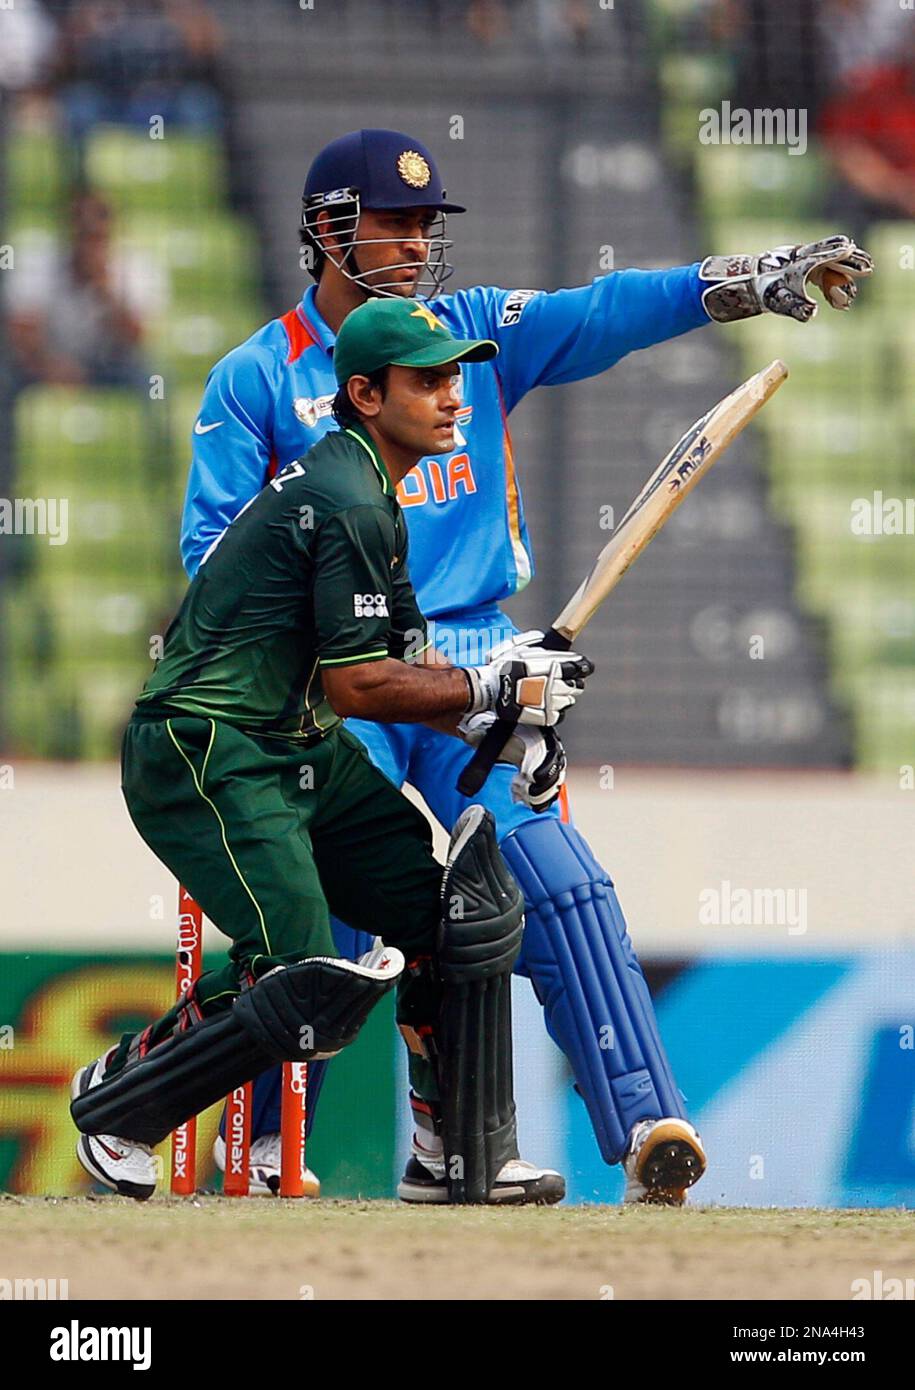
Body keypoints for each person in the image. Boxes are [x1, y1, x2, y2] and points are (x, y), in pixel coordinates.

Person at [182, 128, 872, 1205]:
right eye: (392, 222)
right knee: (337, 886)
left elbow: (603, 312)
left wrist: (739, 281)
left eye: (426, 225)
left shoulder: (470, 334)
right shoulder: (257, 377)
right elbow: (211, 560)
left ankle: (645, 1125)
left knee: (543, 870)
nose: (415, 244)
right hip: (334, 664)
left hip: (467, 647)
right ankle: (264, 1139)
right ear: (326, 229)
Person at [69, 297, 594, 1202]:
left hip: (300, 747)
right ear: (362, 393)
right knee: (304, 973)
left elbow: (407, 662)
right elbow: (363, 689)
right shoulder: (344, 498)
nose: (453, 398)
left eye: (455, 378)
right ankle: (119, 1100)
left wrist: (507, 724)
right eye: (426, 381)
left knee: (449, 927)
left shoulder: (374, 498)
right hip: (208, 749)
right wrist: (491, 690)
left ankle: (450, 1150)